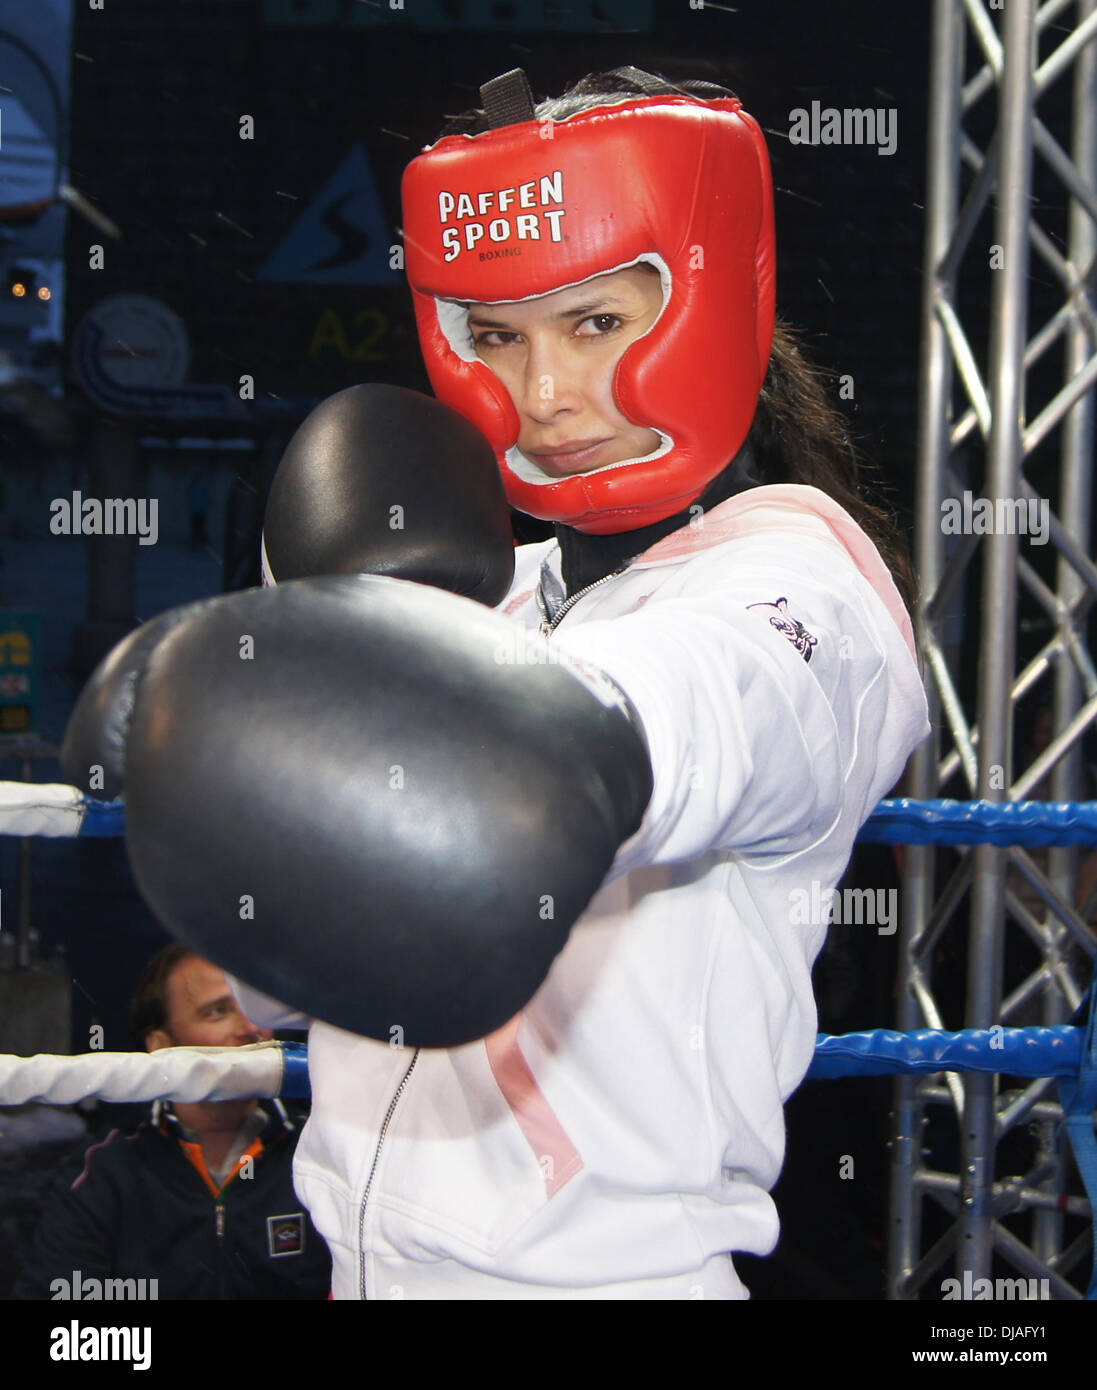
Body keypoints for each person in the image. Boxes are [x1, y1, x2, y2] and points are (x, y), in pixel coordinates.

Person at [63, 65, 930, 1299]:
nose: (542, 395)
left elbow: (635, 729)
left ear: (715, 303)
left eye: (596, 323)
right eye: (493, 336)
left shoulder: (797, 596)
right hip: (354, 1263)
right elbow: (279, 971)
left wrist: (298, 679)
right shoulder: (488, 594)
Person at [12, 945, 331, 1300]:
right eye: (218, 1012)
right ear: (162, 1048)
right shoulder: (106, 1171)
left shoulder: (322, 1153)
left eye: (256, 1010)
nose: (250, 1029)